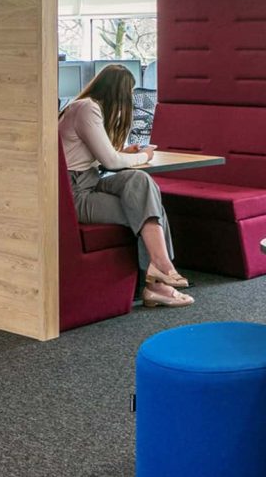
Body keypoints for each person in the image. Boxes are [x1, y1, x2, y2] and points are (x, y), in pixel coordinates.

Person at [59, 64, 193, 309]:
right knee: (147, 207)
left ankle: (159, 273)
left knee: (141, 182)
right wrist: (143, 157)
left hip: (90, 180)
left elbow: (97, 156)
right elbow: (110, 162)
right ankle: (159, 278)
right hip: (73, 193)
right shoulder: (87, 108)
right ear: (119, 93)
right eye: (128, 94)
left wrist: (123, 152)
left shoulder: (84, 106)